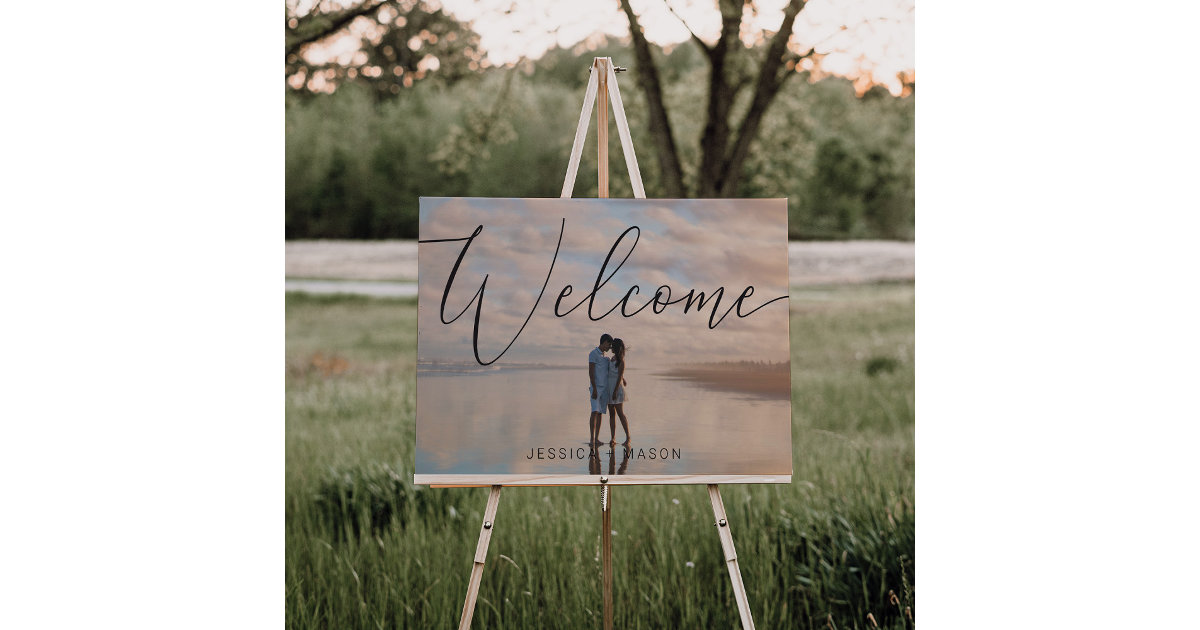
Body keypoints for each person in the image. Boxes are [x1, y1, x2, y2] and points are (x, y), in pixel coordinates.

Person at [588, 334, 613, 447]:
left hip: (605, 389)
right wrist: (594, 388)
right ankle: (591, 439)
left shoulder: (605, 357)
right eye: (609, 344)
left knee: (600, 413)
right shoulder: (593, 353)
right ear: (604, 342)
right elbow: (591, 372)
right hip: (596, 388)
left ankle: (596, 438)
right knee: (594, 411)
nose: (610, 347)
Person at [606, 338, 630, 446]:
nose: (610, 347)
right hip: (610, 387)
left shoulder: (621, 361)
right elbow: (616, 373)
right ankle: (613, 438)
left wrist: (615, 391)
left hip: (616, 388)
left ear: (616, 348)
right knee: (611, 414)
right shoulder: (612, 358)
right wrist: (623, 379)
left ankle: (628, 437)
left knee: (620, 413)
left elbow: (619, 375)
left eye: (612, 346)